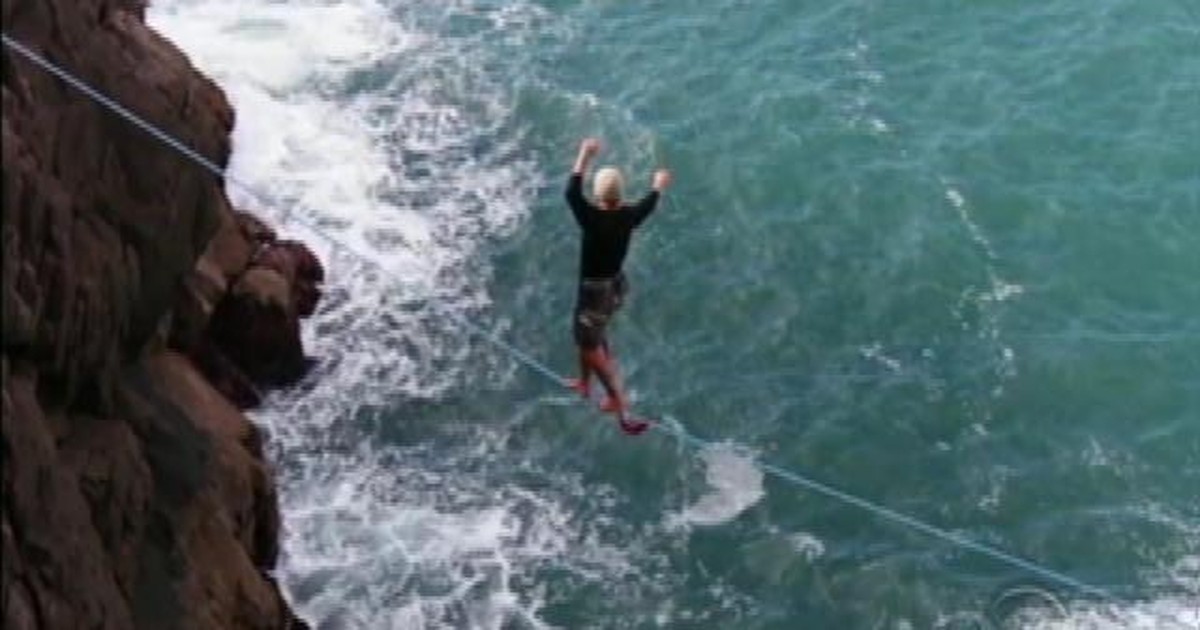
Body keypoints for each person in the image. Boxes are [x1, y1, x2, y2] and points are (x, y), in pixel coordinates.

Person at [564, 137, 672, 435]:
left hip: (594, 293)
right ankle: (585, 382)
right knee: (586, 339)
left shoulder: (591, 218)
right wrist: (658, 184)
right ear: (620, 194)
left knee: (589, 345)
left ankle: (616, 399)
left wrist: (584, 153)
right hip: (614, 288)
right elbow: (649, 204)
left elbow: (571, 191)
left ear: (597, 196)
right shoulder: (628, 216)